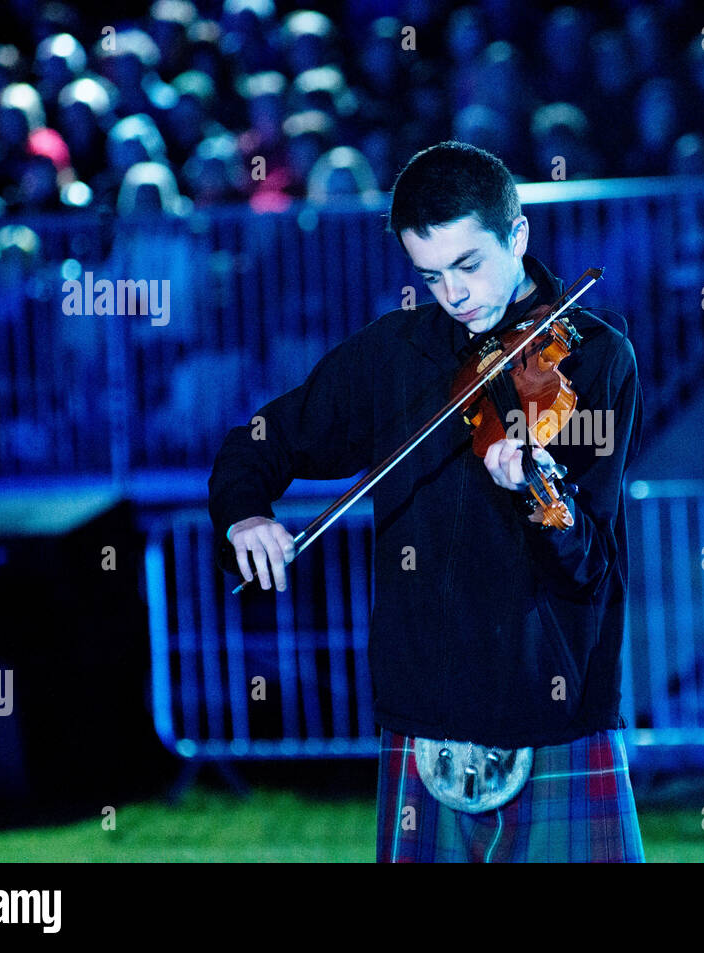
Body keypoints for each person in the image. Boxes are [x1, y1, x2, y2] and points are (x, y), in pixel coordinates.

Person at [208, 141, 645, 862]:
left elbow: (592, 563)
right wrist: (245, 512)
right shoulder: (394, 354)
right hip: (425, 703)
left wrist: (542, 495)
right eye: (431, 275)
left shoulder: (593, 357)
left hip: (554, 703)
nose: (455, 295)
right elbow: (261, 440)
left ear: (519, 235)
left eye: (469, 265)